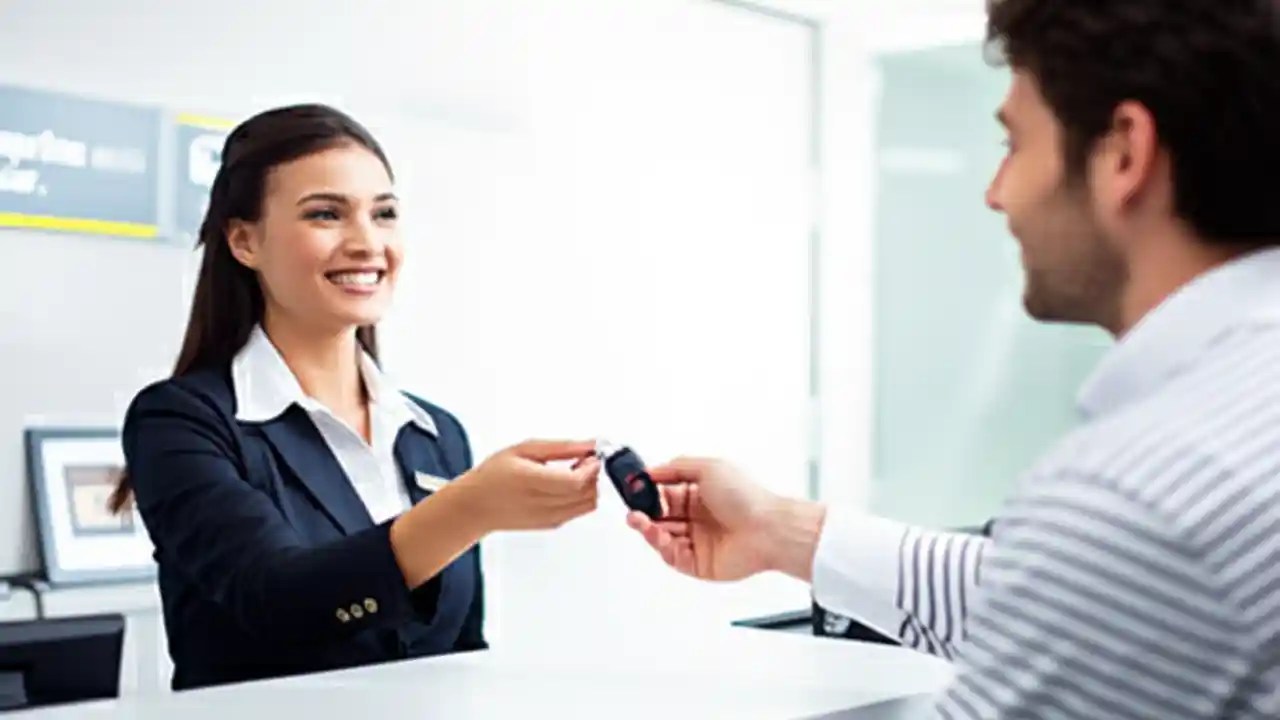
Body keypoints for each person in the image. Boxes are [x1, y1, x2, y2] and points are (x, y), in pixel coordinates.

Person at [627, 0, 1280, 717]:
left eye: (1014, 144)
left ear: (1124, 152)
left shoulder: (1143, 492)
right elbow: (1079, 604)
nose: (997, 194)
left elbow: (1100, 579)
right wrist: (782, 532)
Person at [112, 104, 601, 691]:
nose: (368, 243)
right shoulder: (180, 422)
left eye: (384, 213)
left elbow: (460, 651)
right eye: (325, 214)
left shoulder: (436, 434)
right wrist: (470, 509)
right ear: (244, 241)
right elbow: (276, 601)